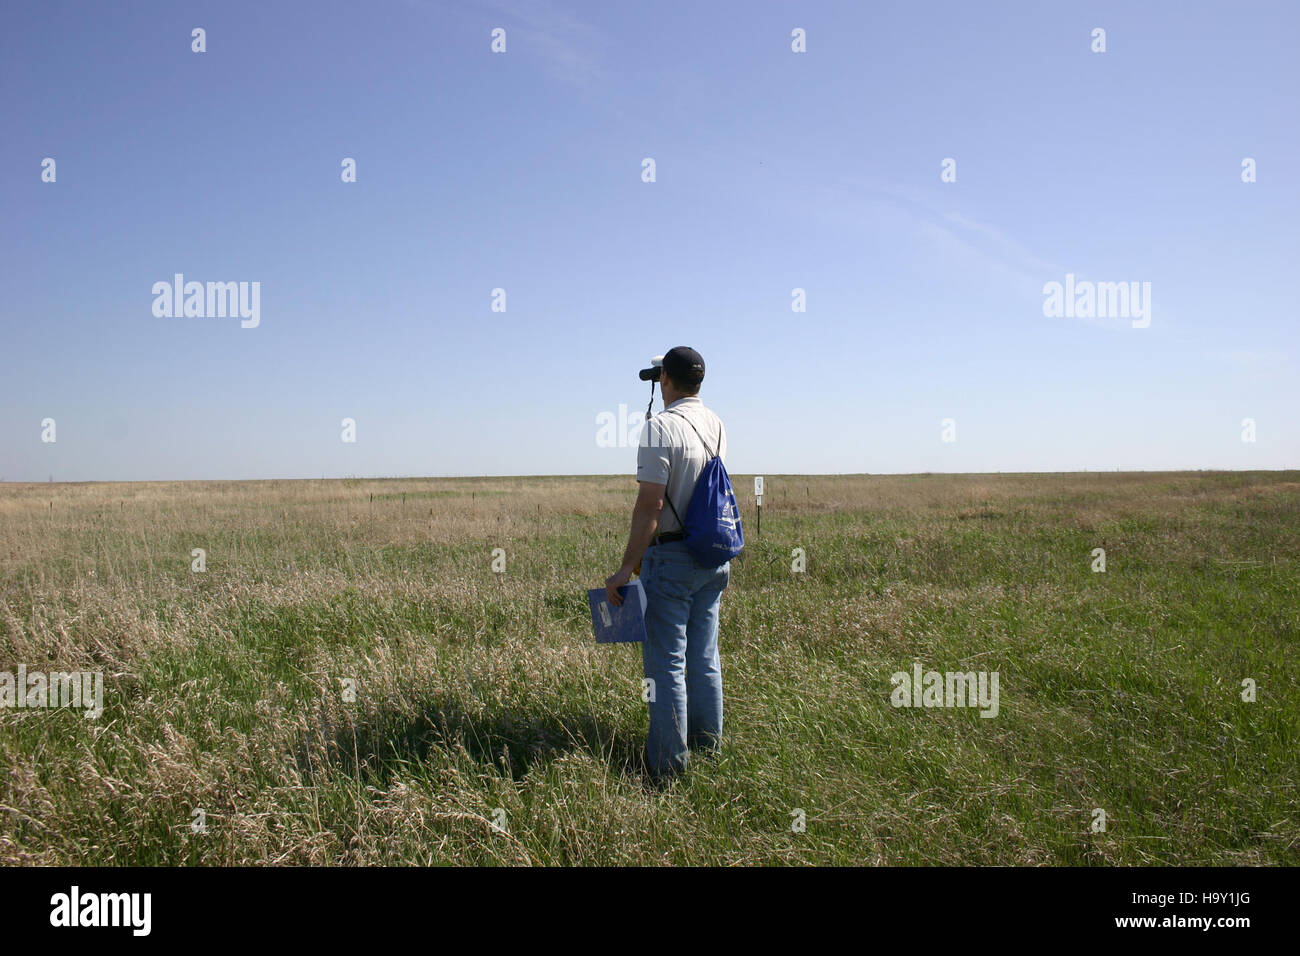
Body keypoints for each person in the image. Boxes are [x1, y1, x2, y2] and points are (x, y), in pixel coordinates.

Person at [605, 346, 730, 781]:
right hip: (711, 557)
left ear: (665, 380)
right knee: (704, 657)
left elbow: (650, 505)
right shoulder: (715, 423)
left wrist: (625, 570)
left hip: (671, 558)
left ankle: (667, 770)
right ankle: (707, 748)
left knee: (665, 666)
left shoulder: (660, 429)